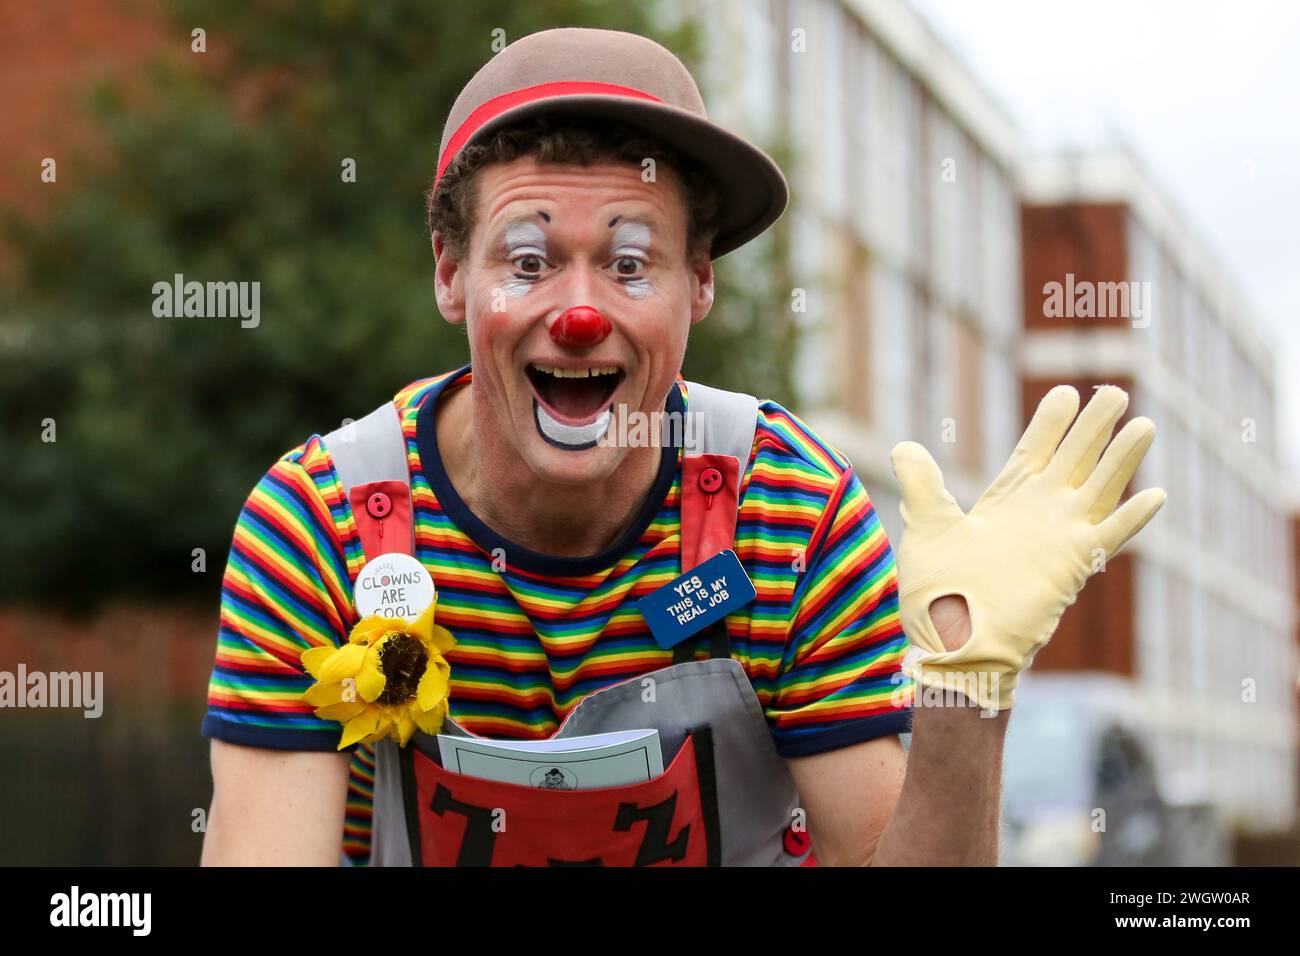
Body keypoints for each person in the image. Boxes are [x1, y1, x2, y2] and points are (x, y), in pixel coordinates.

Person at [198, 27, 1164, 866]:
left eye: (630, 263)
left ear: (698, 285)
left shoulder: (788, 514)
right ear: (452, 275)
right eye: (528, 261)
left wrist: (965, 688)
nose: (578, 315)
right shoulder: (319, 524)